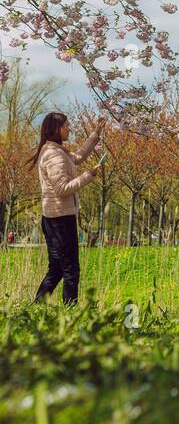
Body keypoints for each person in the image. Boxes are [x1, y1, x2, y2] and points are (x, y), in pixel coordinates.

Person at [30, 112, 104, 306]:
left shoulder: (56, 151)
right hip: (60, 220)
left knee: (57, 269)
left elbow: (78, 157)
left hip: (54, 218)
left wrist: (95, 135)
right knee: (71, 269)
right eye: (67, 126)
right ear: (57, 129)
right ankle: (70, 312)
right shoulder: (54, 155)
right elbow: (62, 189)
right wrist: (89, 175)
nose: (69, 128)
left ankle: (37, 306)